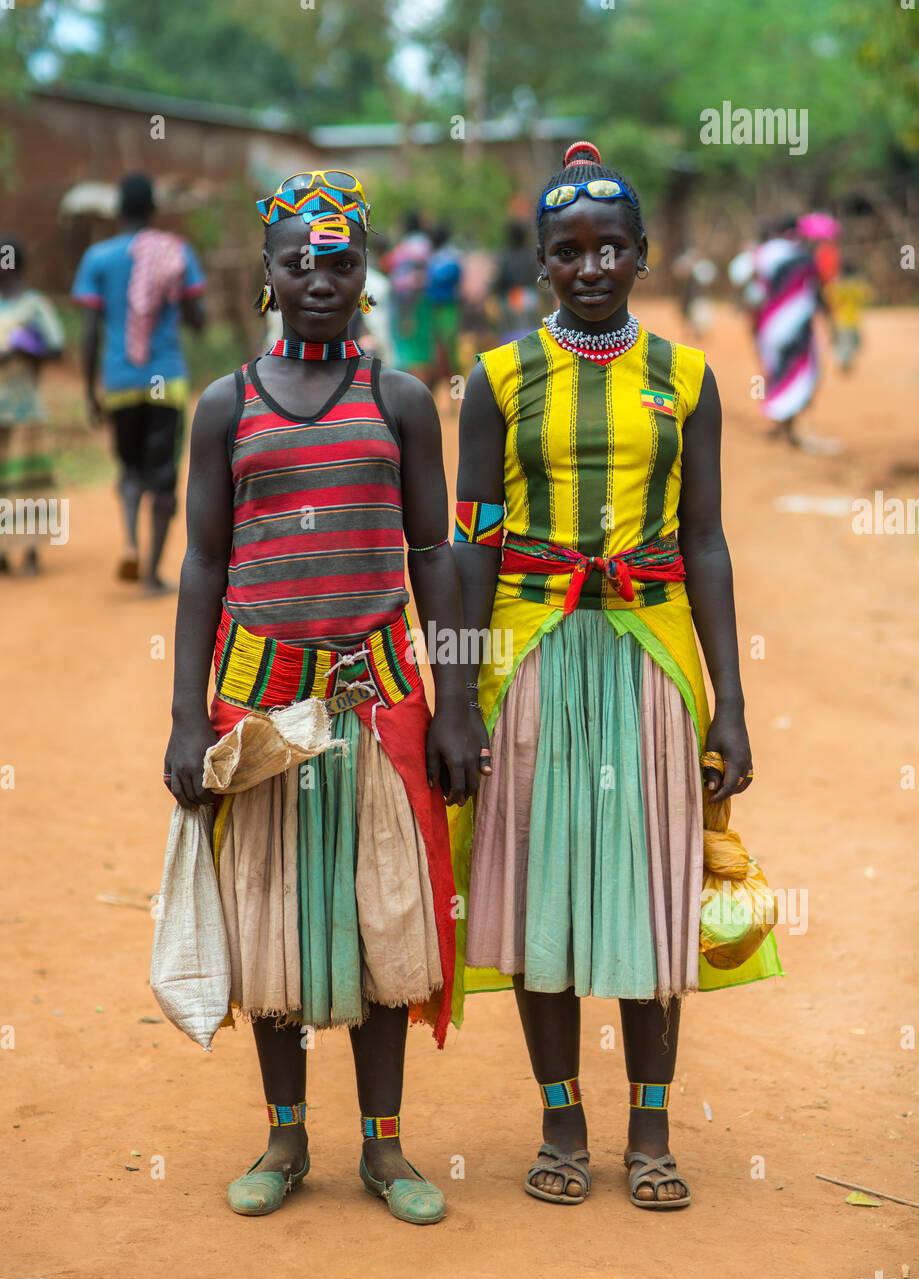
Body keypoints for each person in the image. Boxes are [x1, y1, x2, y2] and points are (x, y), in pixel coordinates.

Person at [451, 141, 782, 1211]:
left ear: (642, 254)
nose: (589, 267)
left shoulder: (685, 379)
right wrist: (455, 693)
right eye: (567, 251)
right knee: (542, 880)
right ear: (541, 262)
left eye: (609, 248)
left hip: (650, 652)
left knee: (650, 894)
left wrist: (729, 698)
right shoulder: (498, 381)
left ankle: (649, 1126)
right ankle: (560, 1117)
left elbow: (708, 542)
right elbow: (467, 544)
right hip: (531, 653)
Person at [163, 169, 481, 1223]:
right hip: (262, 713)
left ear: (365, 277)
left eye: (339, 262)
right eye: (299, 261)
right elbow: (203, 566)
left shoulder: (395, 401)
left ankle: (385, 1149)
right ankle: (286, 1135)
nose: (318, 279)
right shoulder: (226, 406)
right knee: (275, 927)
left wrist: (457, 701)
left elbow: (432, 551)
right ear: (266, 275)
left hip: (376, 701)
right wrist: (181, 718)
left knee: (381, 921)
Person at [71, 172, 206, 591]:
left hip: (121, 380)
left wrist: (89, 389)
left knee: (130, 469)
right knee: (163, 475)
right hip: (165, 380)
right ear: (153, 210)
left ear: (117, 211)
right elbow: (198, 320)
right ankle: (150, 574)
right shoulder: (175, 252)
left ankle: (130, 542)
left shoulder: (97, 258)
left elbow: (90, 332)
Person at [727, 213, 823, 447]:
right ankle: (789, 427)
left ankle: (780, 424)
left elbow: (740, 279)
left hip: (767, 325)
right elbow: (816, 291)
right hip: (799, 325)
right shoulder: (804, 256)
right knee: (797, 371)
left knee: (774, 369)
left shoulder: (761, 254)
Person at [0, 235, 65, 575]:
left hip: (25, 409)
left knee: (27, 482)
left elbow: (56, 347)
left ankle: (29, 551)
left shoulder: (34, 305)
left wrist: (26, 350)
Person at [382, 212, 433, 380]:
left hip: (410, 300)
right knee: (413, 347)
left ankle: (413, 383)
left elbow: (389, 263)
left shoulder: (410, 244)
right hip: (413, 299)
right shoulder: (422, 243)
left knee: (411, 347)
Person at [426, 222, 463, 394]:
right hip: (439, 308)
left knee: (449, 352)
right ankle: (448, 397)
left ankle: (457, 395)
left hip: (446, 308)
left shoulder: (444, 258)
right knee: (441, 353)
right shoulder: (438, 257)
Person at [825, 262, 871, 372]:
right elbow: (866, 296)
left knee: (844, 343)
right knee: (852, 343)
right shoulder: (858, 285)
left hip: (841, 319)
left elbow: (830, 297)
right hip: (854, 319)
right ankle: (845, 363)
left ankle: (844, 363)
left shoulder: (839, 285)